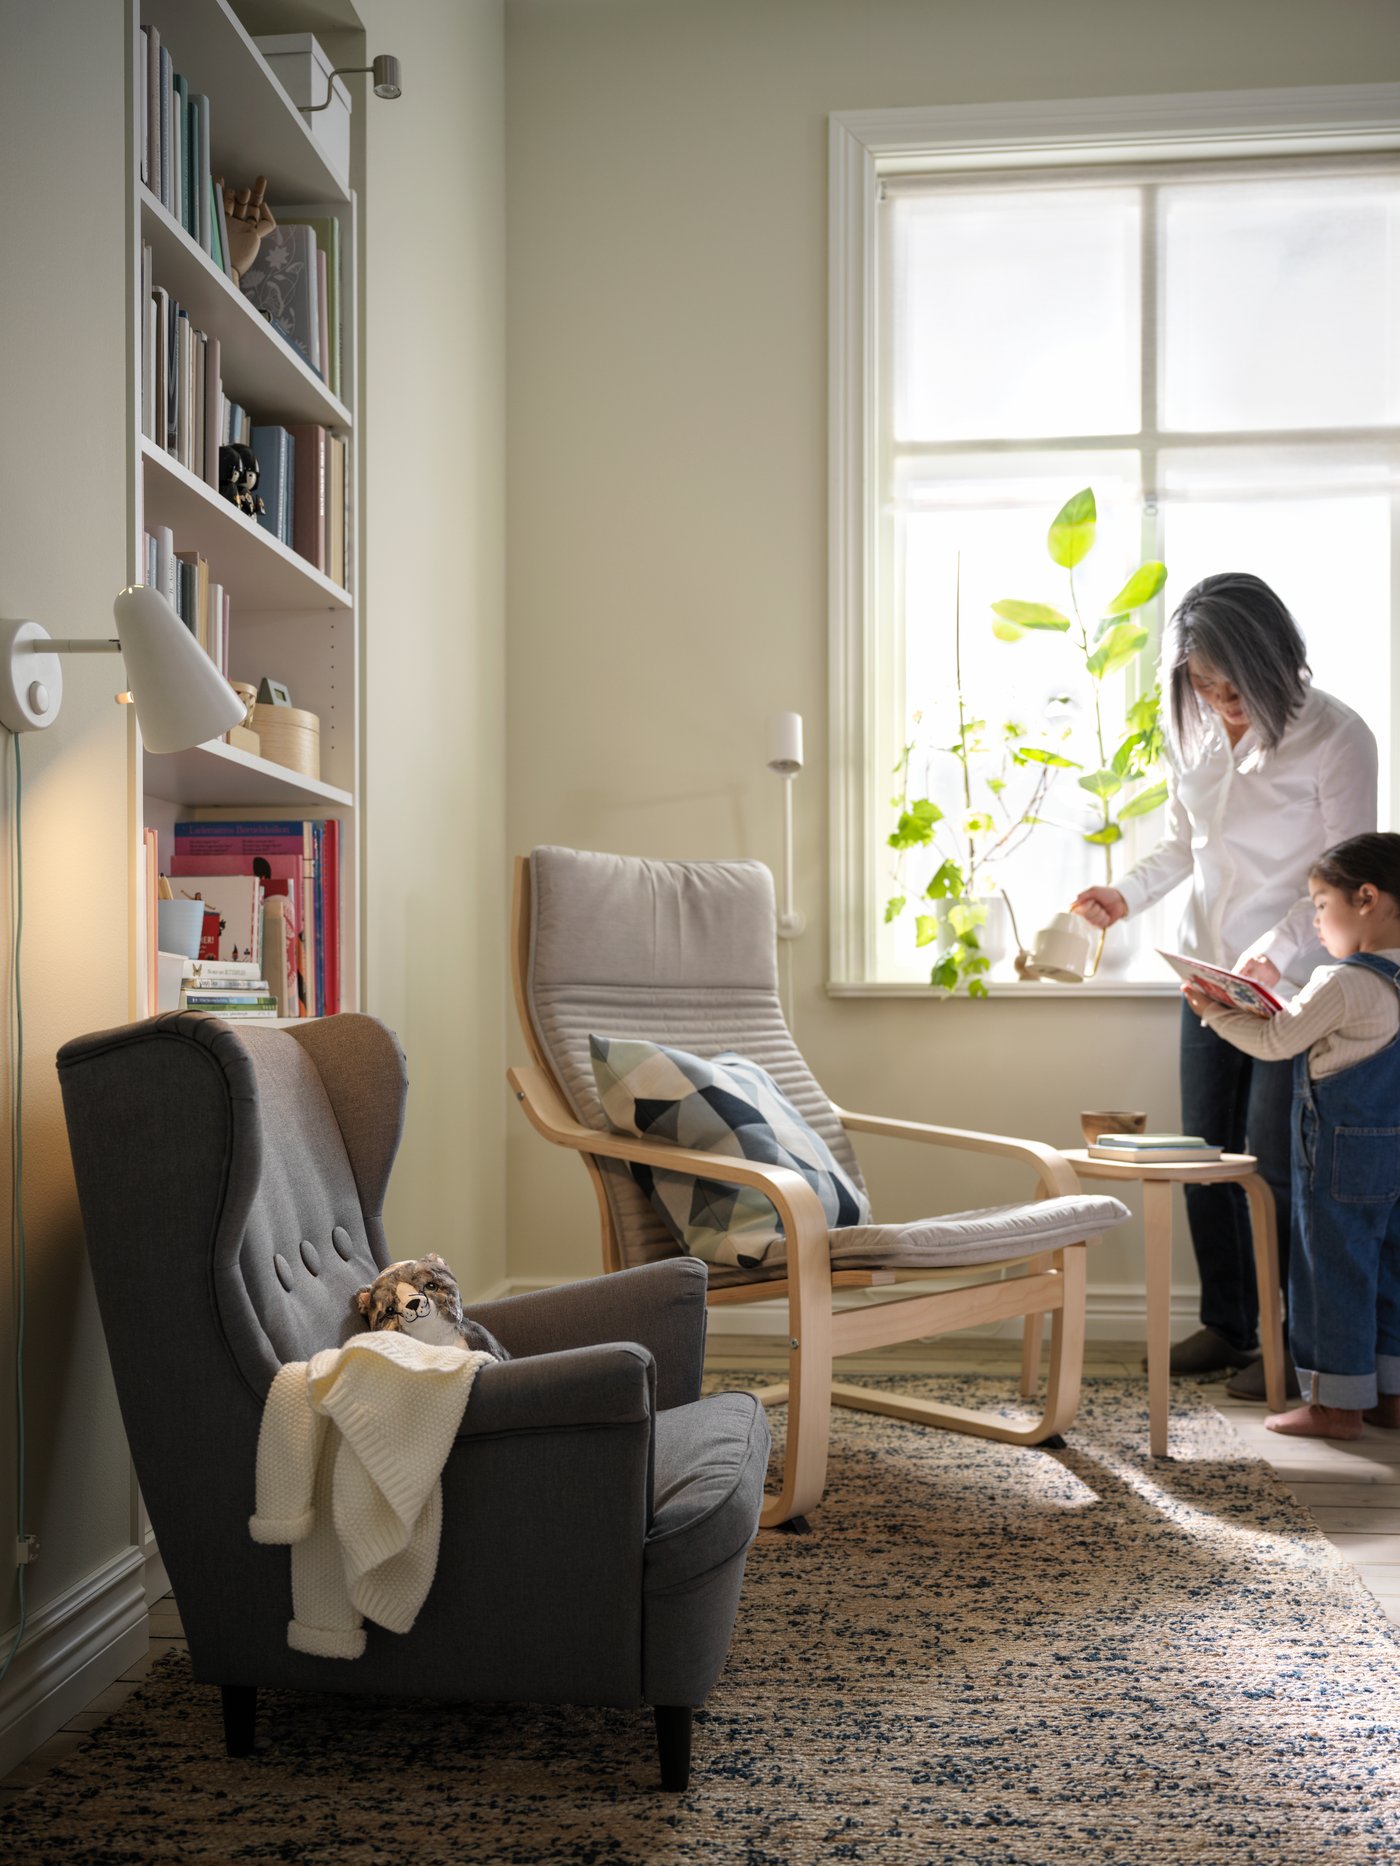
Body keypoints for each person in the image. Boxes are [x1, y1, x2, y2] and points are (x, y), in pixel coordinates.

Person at [1071, 572, 1378, 1392]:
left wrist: (1277, 951)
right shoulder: (1200, 739)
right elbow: (1182, 848)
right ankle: (1227, 1326)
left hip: (1296, 982)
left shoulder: (1339, 736)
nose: (1219, 702)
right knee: (1203, 1154)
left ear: (1275, 660)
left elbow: (1344, 874)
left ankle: (1289, 1347)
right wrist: (1122, 897)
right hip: (1209, 980)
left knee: (1275, 1164)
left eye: (1232, 687)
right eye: (1203, 687)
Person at [1181, 833, 1400, 1441]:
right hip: (1395, 1149)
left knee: (1330, 1269)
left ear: (1366, 899)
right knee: (1388, 1268)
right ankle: (1388, 1394)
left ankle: (1335, 1405)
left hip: (1340, 1153)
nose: (1316, 922)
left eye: (1319, 905)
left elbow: (1278, 1042)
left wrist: (1214, 1011)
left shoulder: (1344, 982)